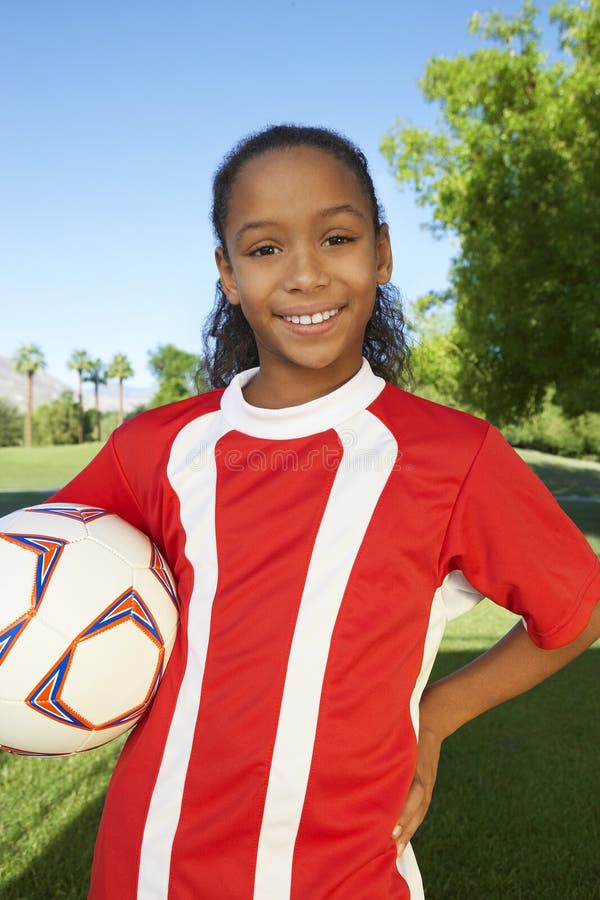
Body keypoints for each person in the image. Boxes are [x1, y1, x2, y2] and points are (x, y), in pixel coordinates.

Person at [50, 124, 600, 900]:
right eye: (266, 249)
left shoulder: (451, 455)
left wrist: (435, 716)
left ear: (381, 252)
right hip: (146, 869)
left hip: (346, 875)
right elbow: (30, 588)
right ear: (228, 274)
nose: (305, 274)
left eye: (336, 237)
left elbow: (576, 608)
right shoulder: (155, 449)